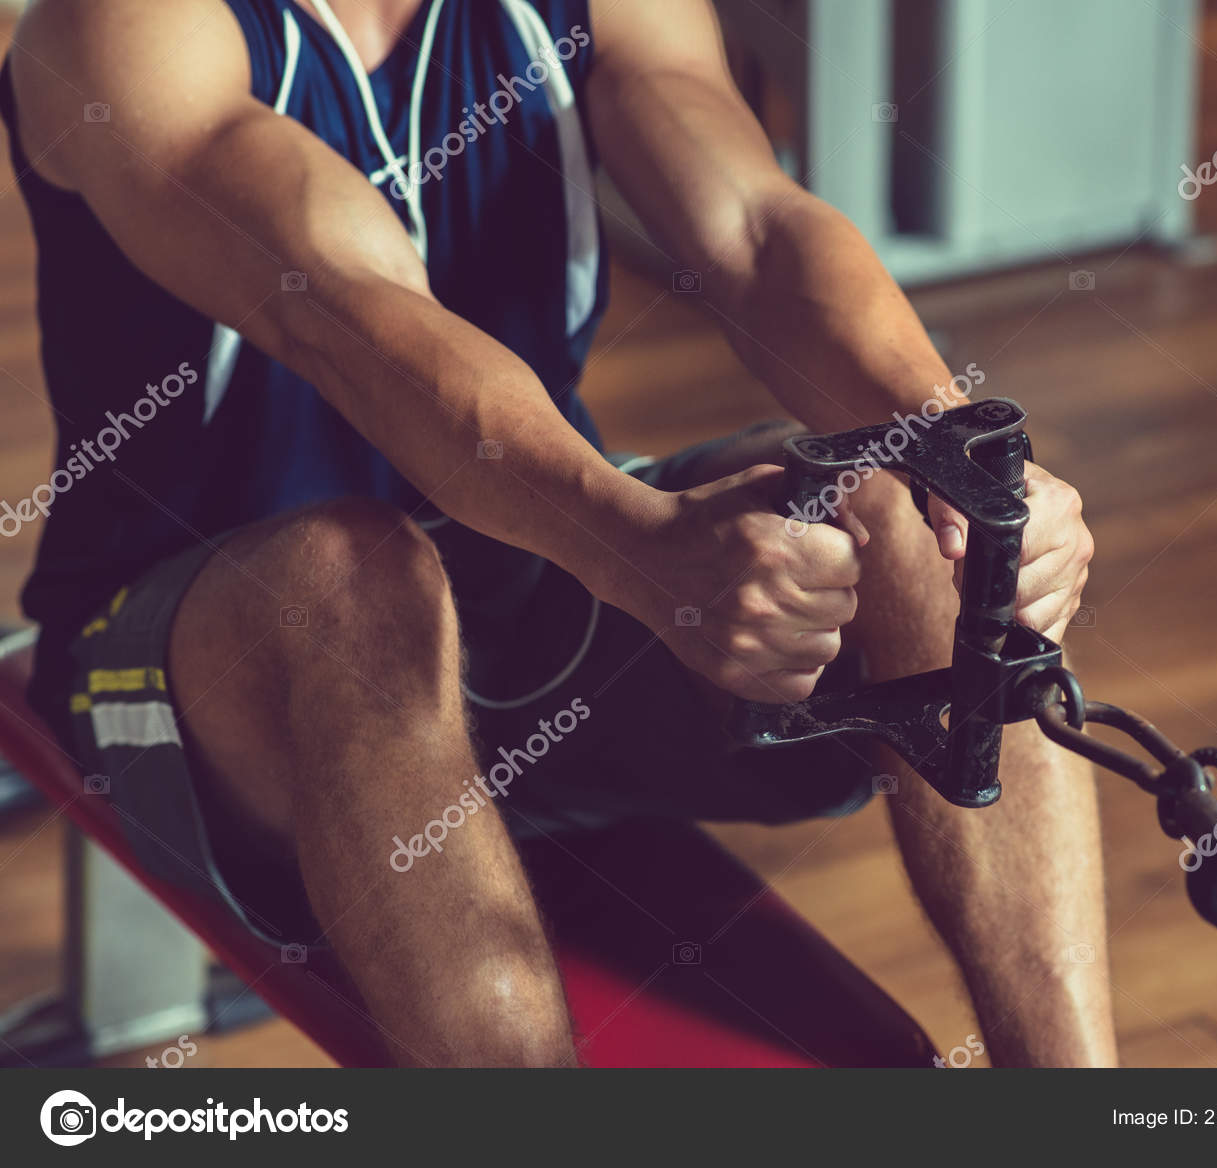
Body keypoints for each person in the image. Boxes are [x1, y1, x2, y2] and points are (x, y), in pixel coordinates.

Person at [2, 0, 1112, 1066]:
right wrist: (635, 543)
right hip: (204, 659)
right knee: (354, 581)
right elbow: (350, 310)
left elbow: (761, 234)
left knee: (913, 517)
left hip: (529, 583)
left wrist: (956, 452)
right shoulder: (128, 26)